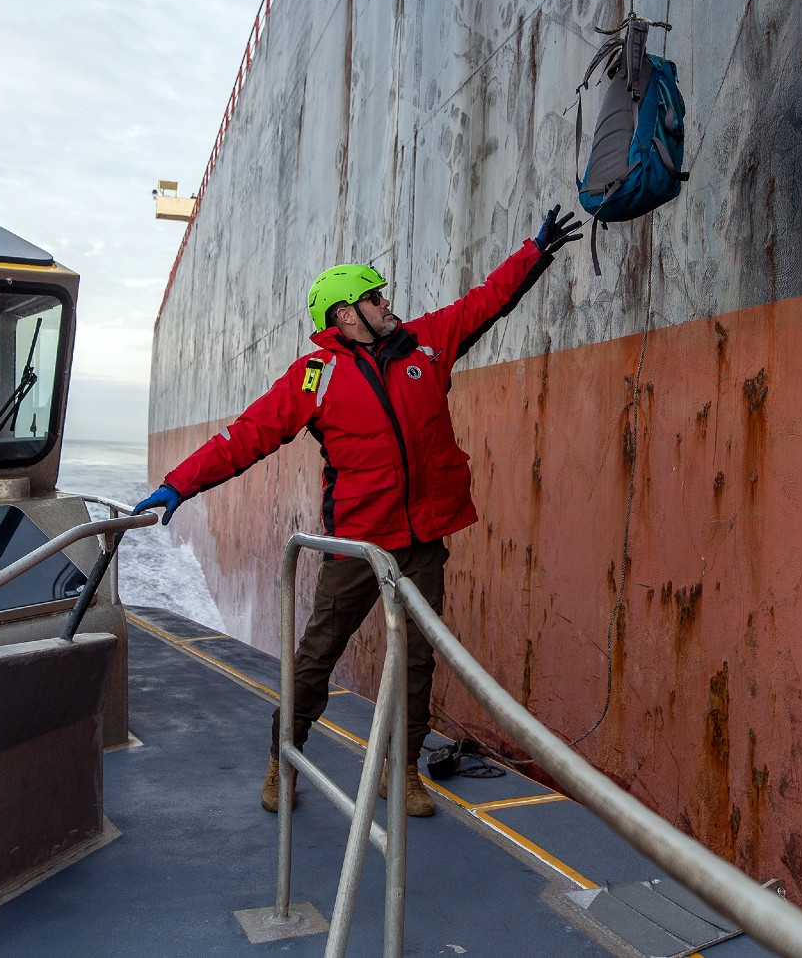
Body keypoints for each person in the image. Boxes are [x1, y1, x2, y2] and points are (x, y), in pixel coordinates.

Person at [134, 205, 583, 818]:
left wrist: (535, 252)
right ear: (346, 315)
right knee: (318, 653)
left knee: (419, 660)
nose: (387, 303)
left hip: (423, 538)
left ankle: (399, 771)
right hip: (359, 543)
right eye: (374, 298)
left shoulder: (427, 342)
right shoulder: (313, 378)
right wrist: (178, 485)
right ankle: (282, 759)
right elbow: (245, 438)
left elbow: (485, 302)